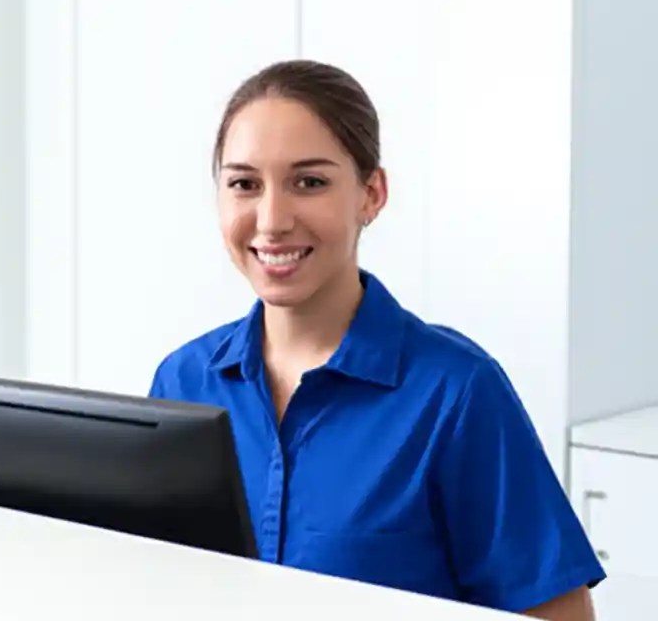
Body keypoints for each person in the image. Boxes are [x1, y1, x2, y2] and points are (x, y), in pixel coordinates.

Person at [149, 60, 604, 619]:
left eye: (309, 182)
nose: (271, 220)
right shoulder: (182, 381)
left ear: (371, 194)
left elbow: (558, 612)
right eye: (245, 184)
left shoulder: (455, 393)